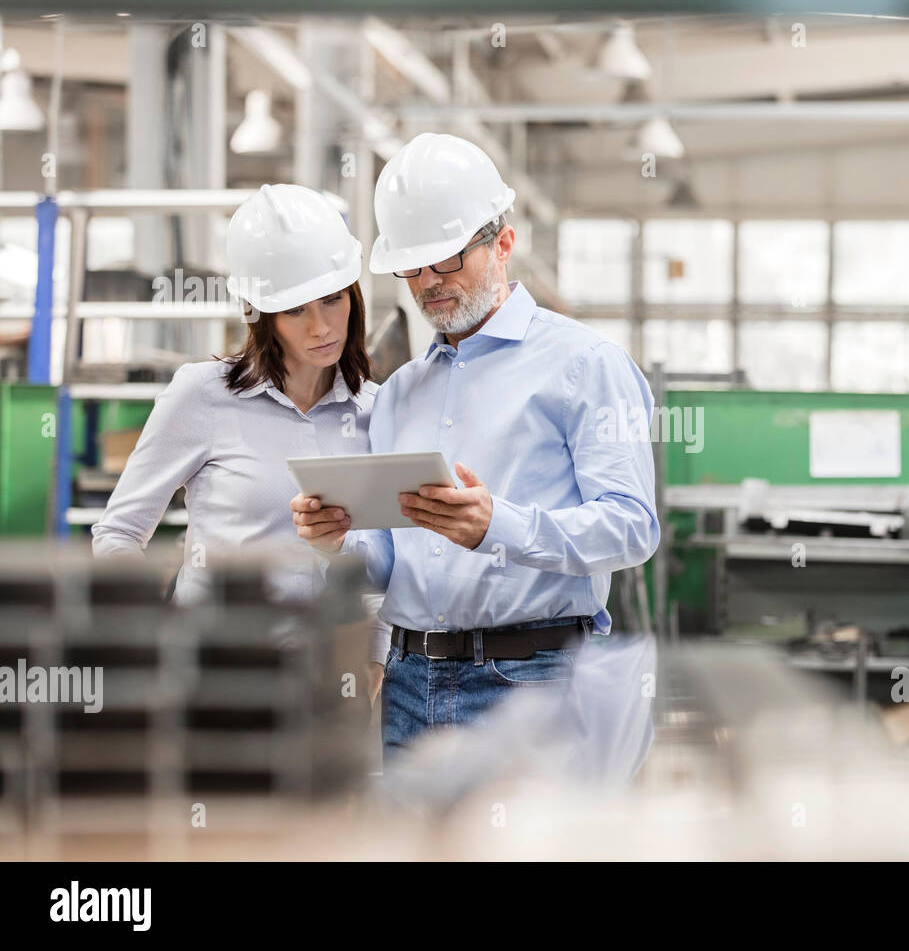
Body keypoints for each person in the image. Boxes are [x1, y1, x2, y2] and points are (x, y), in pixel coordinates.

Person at [290, 133, 659, 762]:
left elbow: (633, 528)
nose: (429, 284)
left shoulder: (585, 365)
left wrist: (499, 525)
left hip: (533, 682)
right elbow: (388, 560)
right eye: (412, 268)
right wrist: (338, 543)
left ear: (504, 243)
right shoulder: (401, 391)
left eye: (448, 261)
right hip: (410, 683)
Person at [92, 184, 386, 701]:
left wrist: (374, 657)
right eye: (295, 310)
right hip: (212, 676)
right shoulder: (202, 396)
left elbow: (380, 560)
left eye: (332, 299)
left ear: (353, 293)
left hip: (325, 683)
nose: (321, 327)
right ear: (259, 313)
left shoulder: (376, 411)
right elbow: (118, 533)